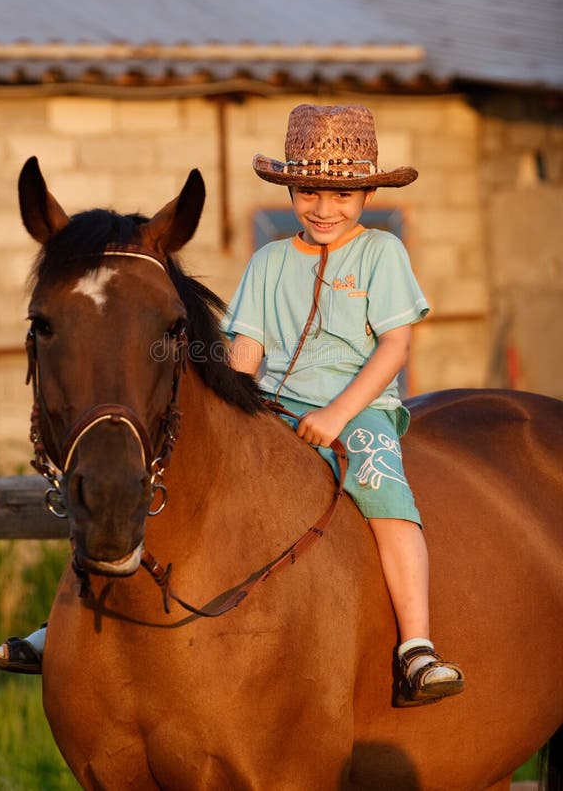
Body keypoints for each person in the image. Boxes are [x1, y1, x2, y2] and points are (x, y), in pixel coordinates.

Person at [220, 103, 464, 706]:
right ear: (291, 189)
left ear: (369, 191)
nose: (324, 208)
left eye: (342, 194)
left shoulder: (381, 253)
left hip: (359, 405)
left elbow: (394, 346)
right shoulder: (268, 261)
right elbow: (246, 347)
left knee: (386, 497)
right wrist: (229, 408)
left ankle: (417, 648)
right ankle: (85, 616)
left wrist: (336, 415)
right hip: (273, 406)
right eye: (308, 191)